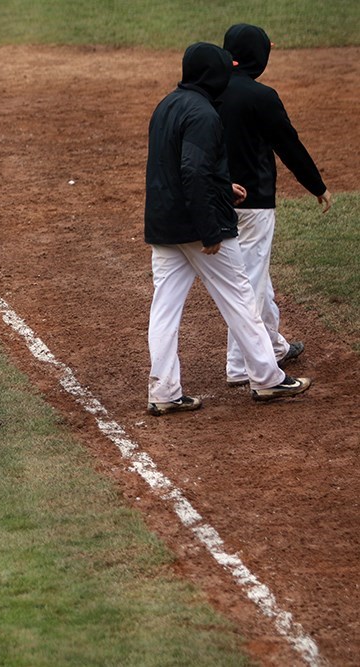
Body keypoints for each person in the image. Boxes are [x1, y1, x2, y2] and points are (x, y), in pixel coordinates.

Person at [143, 43, 312, 416]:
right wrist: (210, 229)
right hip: (197, 225)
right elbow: (192, 170)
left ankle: (164, 391)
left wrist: (221, 186)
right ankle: (267, 378)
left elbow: (176, 166)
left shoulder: (167, 105)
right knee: (240, 297)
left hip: (164, 225)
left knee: (164, 309)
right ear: (213, 75)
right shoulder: (203, 113)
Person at [219, 23, 333, 387]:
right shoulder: (261, 96)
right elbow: (288, 144)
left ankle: (272, 345)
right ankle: (241, 364)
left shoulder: (208, 90)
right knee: (250, 282)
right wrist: (316, 185)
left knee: (257, 277)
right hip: (254, 204)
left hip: (215, 198)